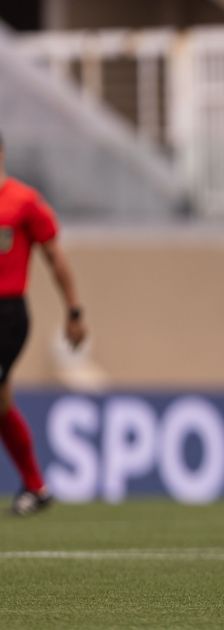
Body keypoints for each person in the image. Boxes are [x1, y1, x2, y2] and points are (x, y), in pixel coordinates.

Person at [0, 131, 87, 516]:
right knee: (2, 405)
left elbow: (55, 258)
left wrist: (74, 312)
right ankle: (37, 488)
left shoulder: (23, 202)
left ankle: (37, 487)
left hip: (7, 315)